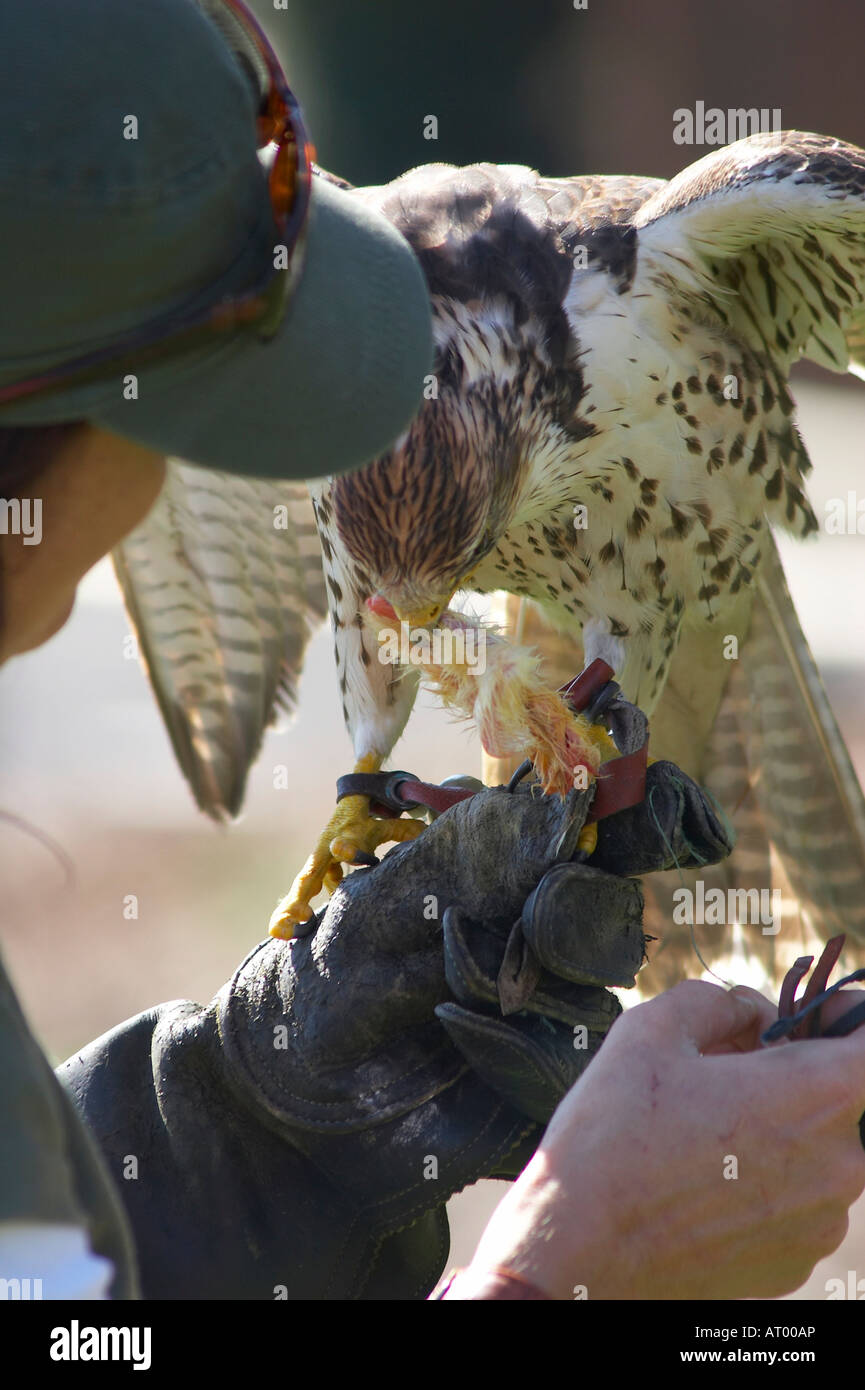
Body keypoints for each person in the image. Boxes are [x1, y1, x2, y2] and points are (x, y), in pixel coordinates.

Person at [2, 0, 865, 1302]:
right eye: (229, 411)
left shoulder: (657, 269)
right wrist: (573, 1268)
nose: (234, 455)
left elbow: (66, 1297)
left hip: (673, 595)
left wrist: (262, 1114)